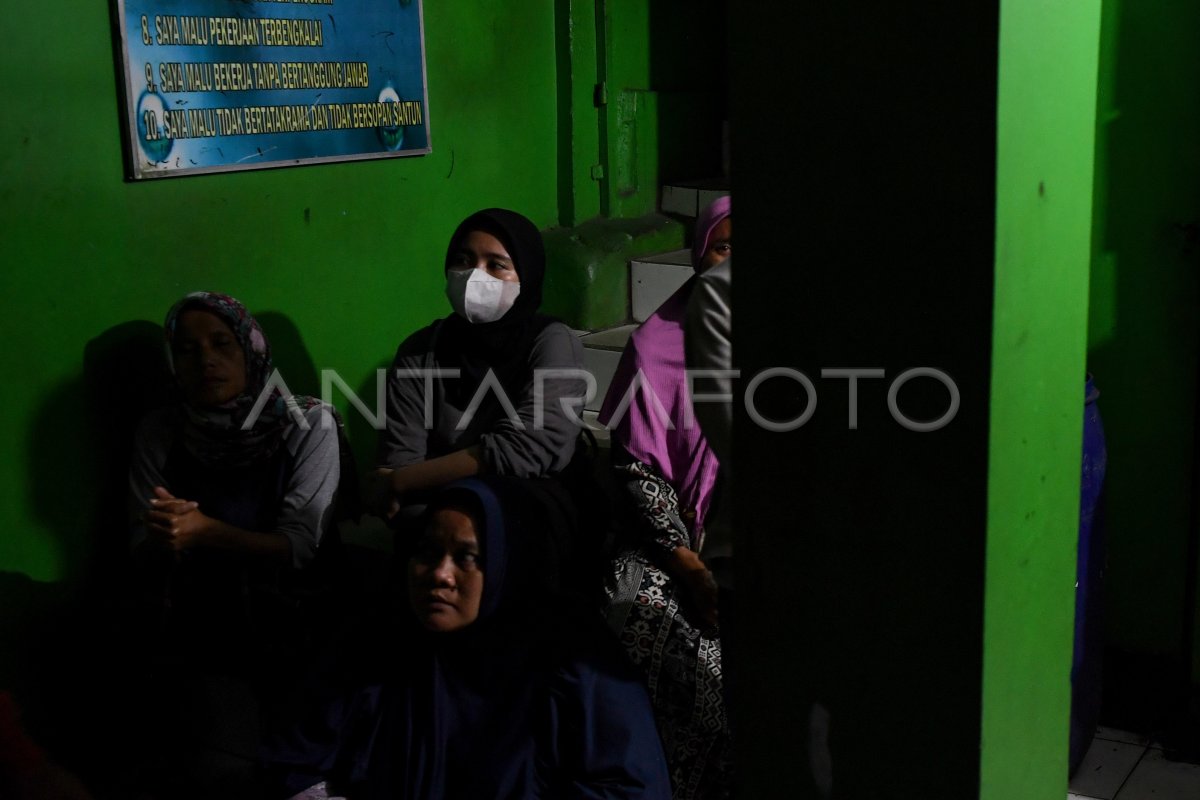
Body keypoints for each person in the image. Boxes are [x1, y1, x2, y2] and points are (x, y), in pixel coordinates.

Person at [266, 478, 672, 799]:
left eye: (468, 558)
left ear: (510, 566)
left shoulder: (573, 661)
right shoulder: (381, 641)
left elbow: (629, 787)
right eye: (426, 552)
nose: (439, 575)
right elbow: (295, 759)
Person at [127, 291, 346, 798]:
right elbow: (140, 546)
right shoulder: (160, 431)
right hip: (203, 632)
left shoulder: (309, 423)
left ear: (251, 351)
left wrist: (205, 532)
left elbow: (299, 549)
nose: (206, 360)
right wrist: (166, 538)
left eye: (222, 343)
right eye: (187, 349)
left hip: (301, 633)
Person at [597, 196, 733, 799]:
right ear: (701, 258)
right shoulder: (657, 343)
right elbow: (635, 465)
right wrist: (686, 561)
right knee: (641, 617)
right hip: (672, 545)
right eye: (723, 249)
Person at [369, 208, 589, 530]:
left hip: (530, 504)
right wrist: (404, 483)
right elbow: (398, 459)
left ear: (526, 276)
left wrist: (403, 481)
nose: (475, 276)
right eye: (463, 260)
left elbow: (529, 449)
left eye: (496, 265)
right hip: (437, 507)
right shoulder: (420, 351)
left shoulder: (551, 343)